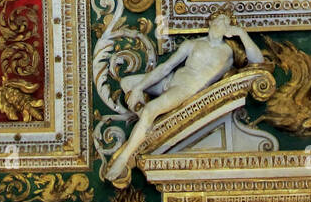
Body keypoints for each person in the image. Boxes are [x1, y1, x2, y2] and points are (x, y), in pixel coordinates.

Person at [105, 10, 263, 183]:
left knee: (151, 108)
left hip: (186, 90)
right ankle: (146, 121)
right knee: (127, 83)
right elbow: (166, 67)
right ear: (209, 22)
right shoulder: (192, 44)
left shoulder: (228, 54)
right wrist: (140, 88)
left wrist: (242, 33)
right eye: (218, 19)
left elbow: (258, 62)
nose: (222, 23)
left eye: (226, 22)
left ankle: (124, 158)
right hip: (171, 82)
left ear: (230, 29)